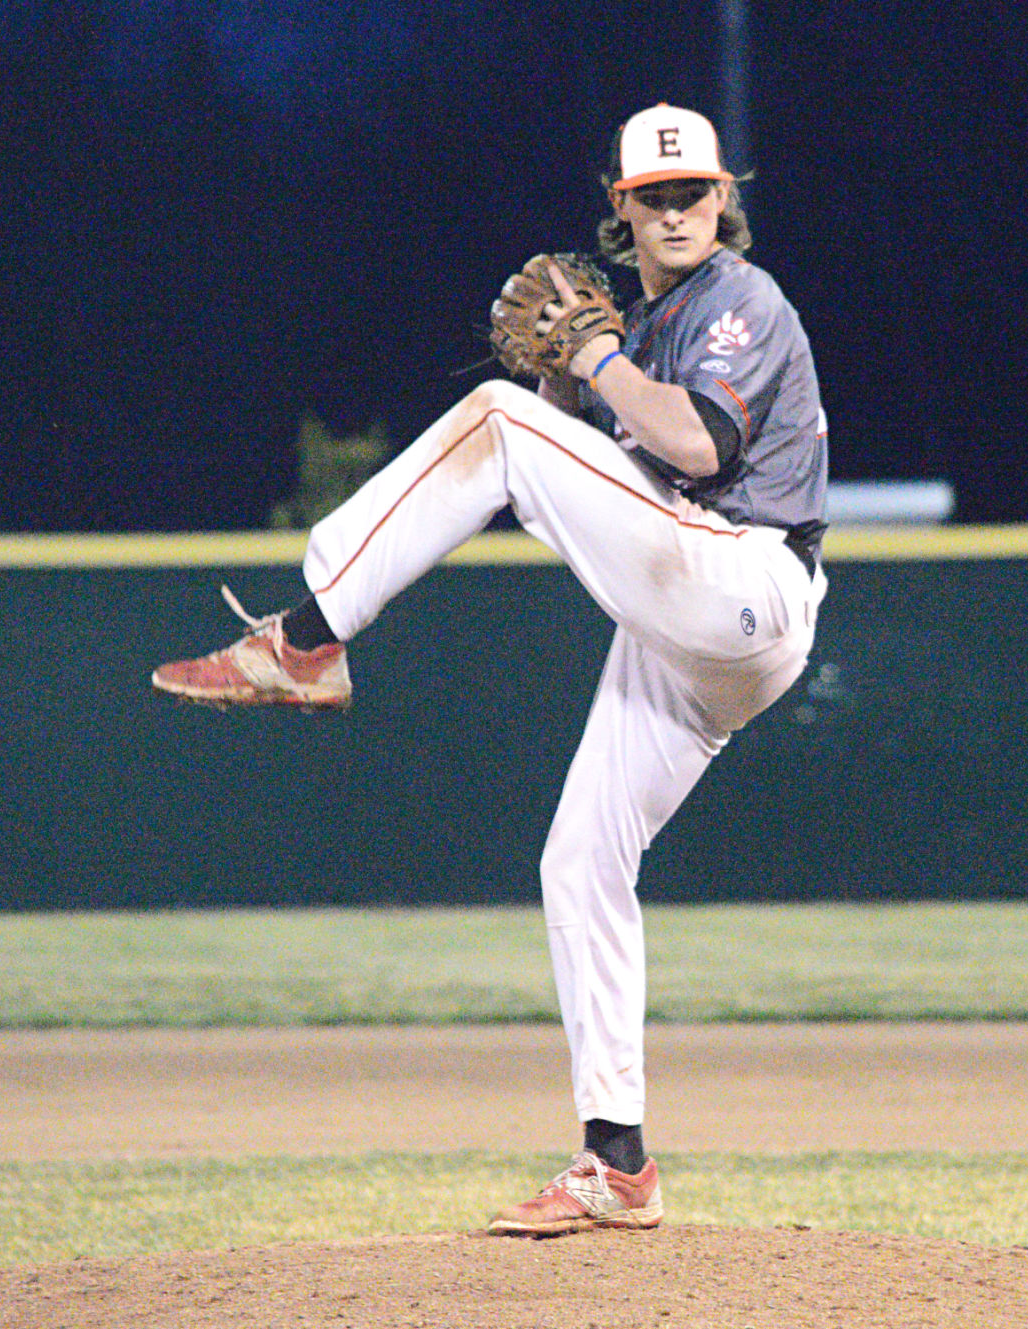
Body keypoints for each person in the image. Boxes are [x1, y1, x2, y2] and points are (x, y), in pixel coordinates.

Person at [152, 103, 831, 1236]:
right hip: (689, 630)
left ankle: (304, 641)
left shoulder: (735, 302)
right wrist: (579, 384)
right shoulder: (646, 331)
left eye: (692, 192)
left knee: (496, 419)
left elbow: (700, 448)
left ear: (724, 201)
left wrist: (590, 364)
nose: (674, 210)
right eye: (651, 195)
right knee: (577, 863)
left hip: (746, 585)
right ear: (619, 206)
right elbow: (578, 493)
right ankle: (616, 1164)